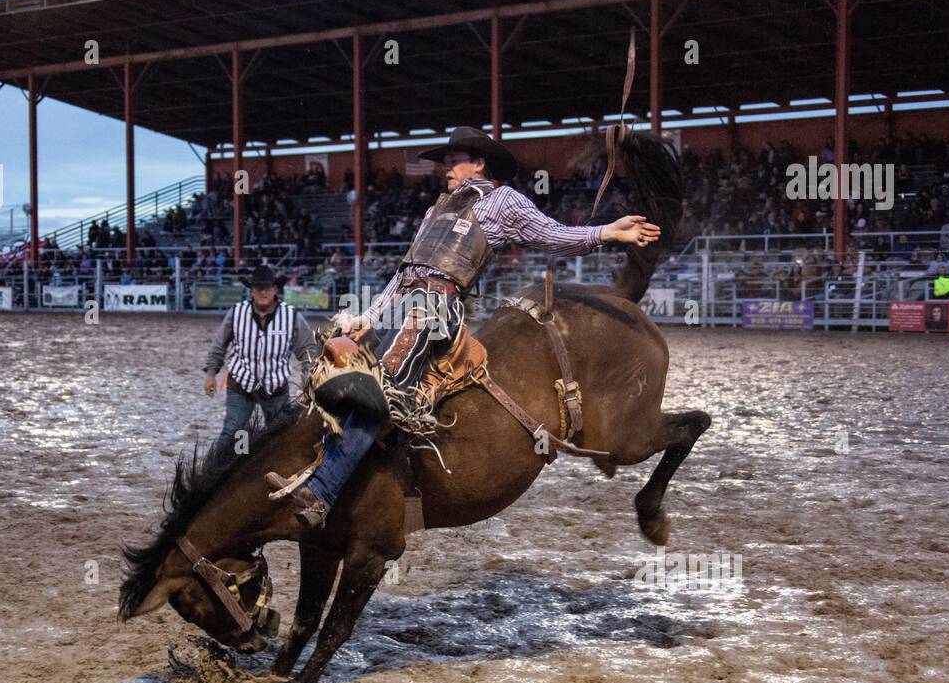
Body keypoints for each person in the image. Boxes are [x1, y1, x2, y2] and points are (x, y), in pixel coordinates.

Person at [267, 125, 661, 527]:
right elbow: (405, 274)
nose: (447, 169)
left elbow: (553, 235)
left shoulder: (503, 201)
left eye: (454, 162)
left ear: (479, 164)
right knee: (340, 375)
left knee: (379, 390)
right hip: (406, 305)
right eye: (445, 163)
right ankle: (333, 470)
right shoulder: (435, 209)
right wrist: (367, 318)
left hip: (436, 308)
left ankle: (322, 493)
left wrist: (608, 232)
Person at [203, 264, 316, 463]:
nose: (263, 292)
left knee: (281, 436)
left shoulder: (291, 316)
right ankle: (221, 471)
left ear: (275, 290)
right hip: (240, 384)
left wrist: (308, 380)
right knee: (234, 432)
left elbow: (308, 349)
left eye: (267, 288)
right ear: (252, 291)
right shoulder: (237, 313)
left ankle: (274, 470)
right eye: (258, 288)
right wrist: (211, 373)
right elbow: (219, 344)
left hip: (276, 386)